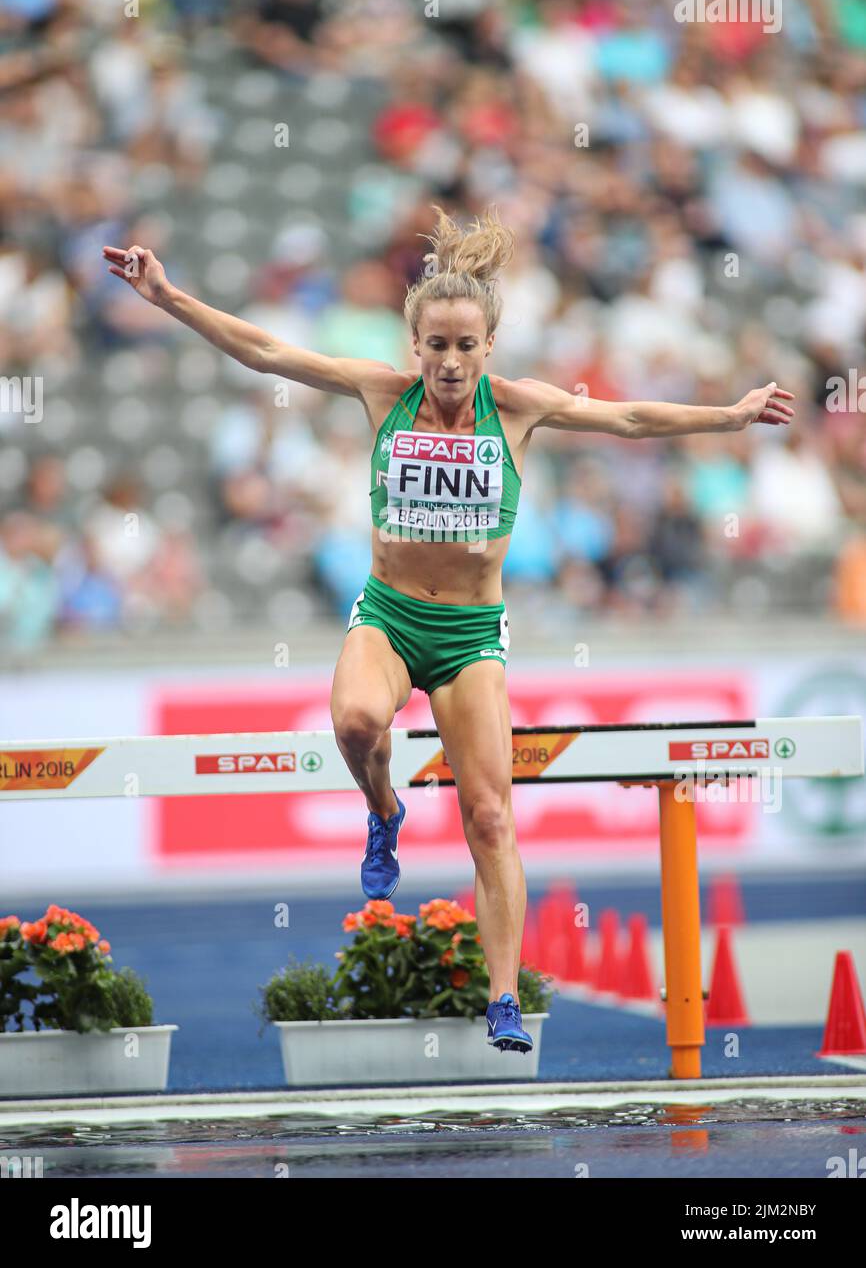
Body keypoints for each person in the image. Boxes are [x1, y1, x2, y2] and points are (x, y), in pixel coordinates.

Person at [102, 205, 795, 1052]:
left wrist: (728, 416)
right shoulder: (379, 393)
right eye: (437, 345)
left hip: (471, 637)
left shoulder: (522, 408)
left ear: (489, 347)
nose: (452, 361)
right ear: (415, 344)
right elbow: (269, 352)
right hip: (389, 616)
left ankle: (503, 998)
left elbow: (629, 420)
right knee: (357, 722)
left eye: (467, 346)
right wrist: (169, 297)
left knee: (491, 818)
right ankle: (384, 807)